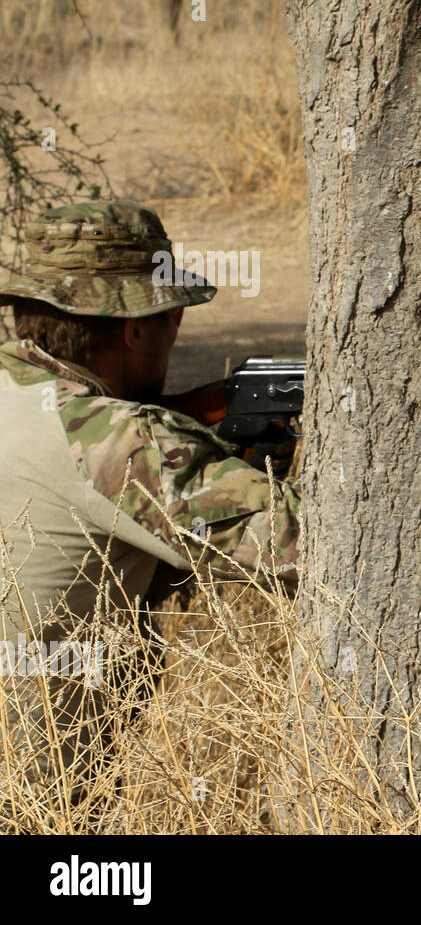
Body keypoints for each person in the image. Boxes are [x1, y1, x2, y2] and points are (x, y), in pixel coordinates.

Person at [0, 200, 300, 820]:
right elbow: (315, 550)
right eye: (174, 319)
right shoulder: (115, 438)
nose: (175, 334)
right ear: (136, 329)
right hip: (38, 800)